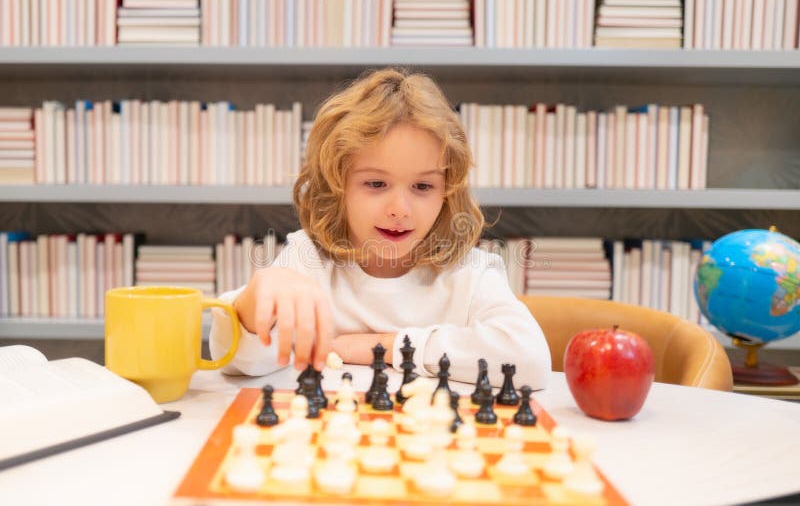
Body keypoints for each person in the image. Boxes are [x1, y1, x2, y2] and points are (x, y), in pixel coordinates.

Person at [209, 68, 551, 388]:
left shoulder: (470, 274)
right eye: (375, 184)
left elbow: (530, 359)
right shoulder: (308, 261)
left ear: (447, 194)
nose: (399, 210)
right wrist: (254, 301)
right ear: (336, 186)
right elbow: (235, 361)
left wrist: (384, 347)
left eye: (422, 187)